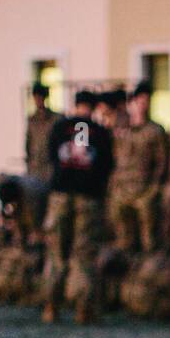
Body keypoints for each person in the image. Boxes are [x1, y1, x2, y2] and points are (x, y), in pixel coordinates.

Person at [40, 90, 114, 325]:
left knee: (56, 251)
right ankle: (84, 309)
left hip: (61, 194)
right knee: (84, 254)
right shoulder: (100, 132)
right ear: (93, 108)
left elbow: (51, 157)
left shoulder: (60, 128)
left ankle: (51, 305)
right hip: (88, 198)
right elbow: (106, 166)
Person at [107, 81, 170, 253]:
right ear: (131, 103)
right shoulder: (120, 130)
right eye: (140, 102)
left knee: (149, 240)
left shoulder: (155, 131)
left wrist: (155, 188)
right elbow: (112, 157)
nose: (143, 107)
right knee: (123, 238)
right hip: (121, 191)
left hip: (145, 192)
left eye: (146, 102)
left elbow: (162, 162)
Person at [24, 83, 60, 185]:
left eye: (40, 97)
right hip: (35, 167)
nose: (38, 100)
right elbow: (28, 143)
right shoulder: (32, 120)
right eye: (36, 98)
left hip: (50, 166)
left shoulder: (55, 119)